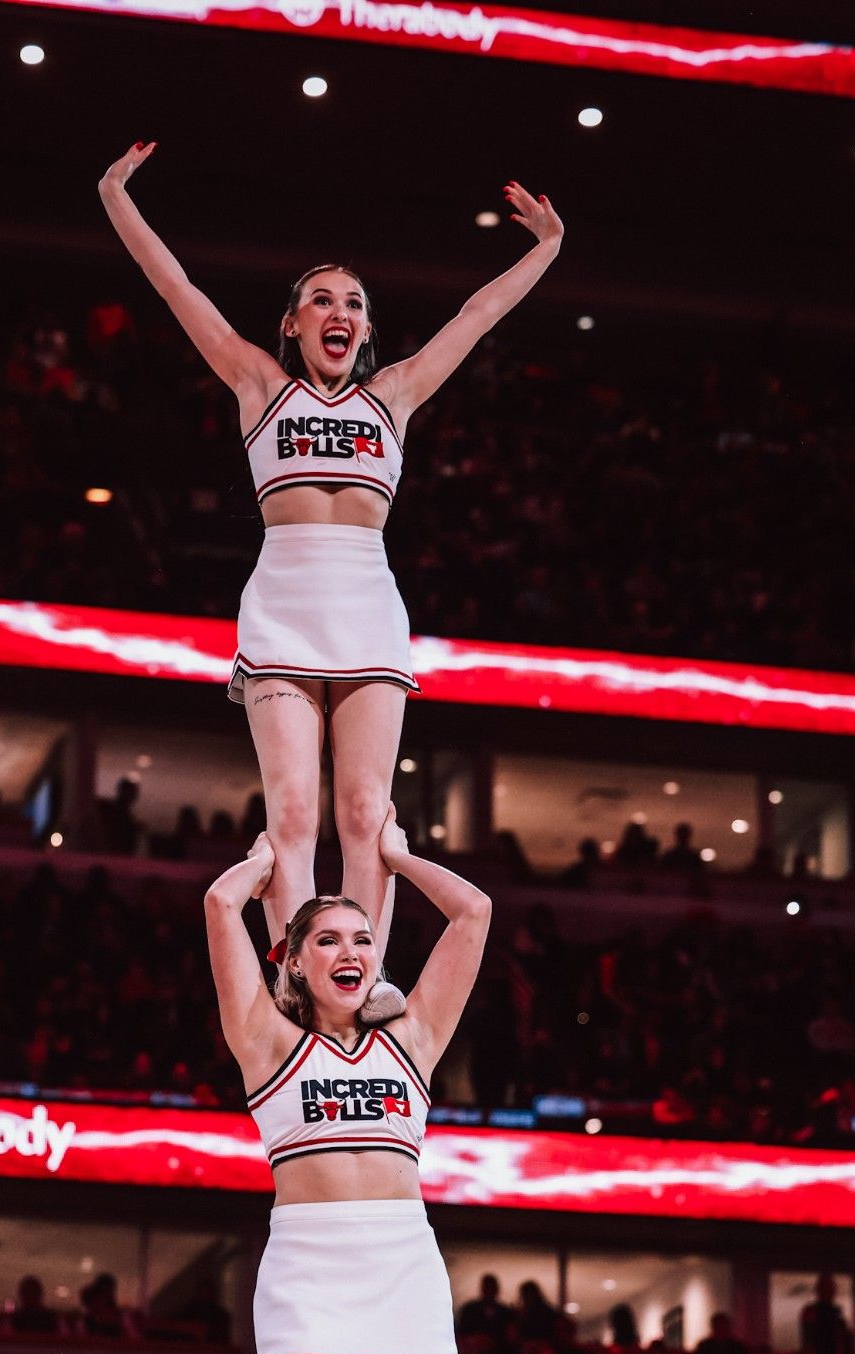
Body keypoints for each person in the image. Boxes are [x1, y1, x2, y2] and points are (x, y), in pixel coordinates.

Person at [98, 140, 561, 976]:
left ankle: (362, 977)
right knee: (292, 814)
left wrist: (548, 247)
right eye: (320, 299)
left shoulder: (394, 395)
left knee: (363, 813)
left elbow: (476, 315)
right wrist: (114, 195)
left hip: (368, 607)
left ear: (365, 329)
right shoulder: (259, 386)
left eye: (353, 302)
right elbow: (174, 286)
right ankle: (295, 976)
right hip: (281, 605)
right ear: (292, 323)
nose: (337, 311)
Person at [204, 808, 490, 1354]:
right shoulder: (265, 1041)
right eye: (326, 940)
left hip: (402, 1269)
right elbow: (219, 906)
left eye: (361, 940)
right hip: (309, 1272)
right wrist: (263, 862)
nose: (348, 952)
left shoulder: (413, 1038)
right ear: (292, 959)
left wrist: (398, 857)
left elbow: (473, 913)